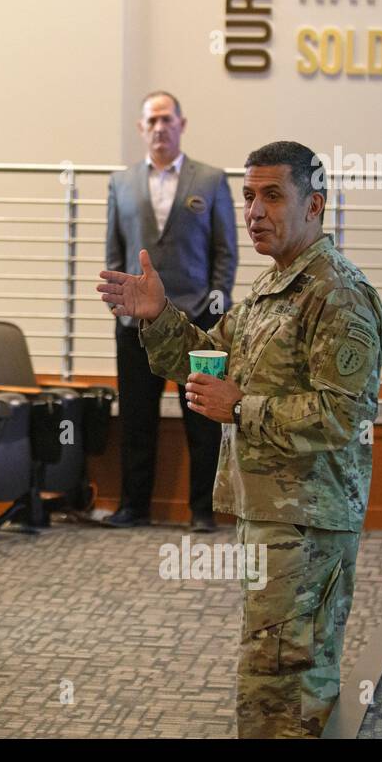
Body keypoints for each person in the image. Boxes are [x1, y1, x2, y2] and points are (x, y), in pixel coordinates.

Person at [99, 140, 382, 738]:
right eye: (249, 196)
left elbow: (341, 415)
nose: (254, 210)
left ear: (316, 205)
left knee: (290, 682)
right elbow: (209, 358)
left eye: (273, 196)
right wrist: (159, 316)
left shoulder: (338, 294)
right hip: (270, 514)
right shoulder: (269, 287)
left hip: (308, 521)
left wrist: (242, 407)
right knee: (268, 678)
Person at [105, 92, 238, 531]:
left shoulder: (212, 180)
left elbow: (225, 252)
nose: (159, 127)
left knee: (201, 420)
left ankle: (202, 510)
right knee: (136, 418)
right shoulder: (120, 184)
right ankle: (133, 506)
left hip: (198, 321)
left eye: (167, 119)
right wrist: (120, 304)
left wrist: (216, 306)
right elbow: (115, 249)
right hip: (136, 324)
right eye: (151, 121)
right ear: (141, 128)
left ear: (182, 123)